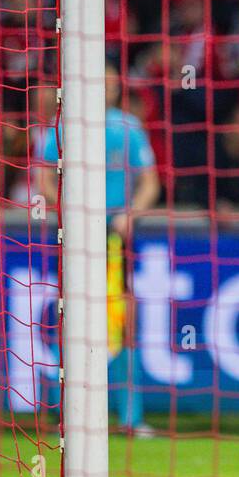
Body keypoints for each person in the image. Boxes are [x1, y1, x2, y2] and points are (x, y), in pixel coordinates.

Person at [37, 63, 160, 432]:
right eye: (99, 81)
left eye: (111, 82)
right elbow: (42, 174)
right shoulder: (62, 125)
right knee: (73, 319)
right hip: (76, 235)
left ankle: (129, 417)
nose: (106, 88)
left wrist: (131, 213)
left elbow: (150, 183)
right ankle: (63, 413)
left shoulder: (128, 127)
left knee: (121, 323)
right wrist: (62, 207)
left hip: (112, 236)